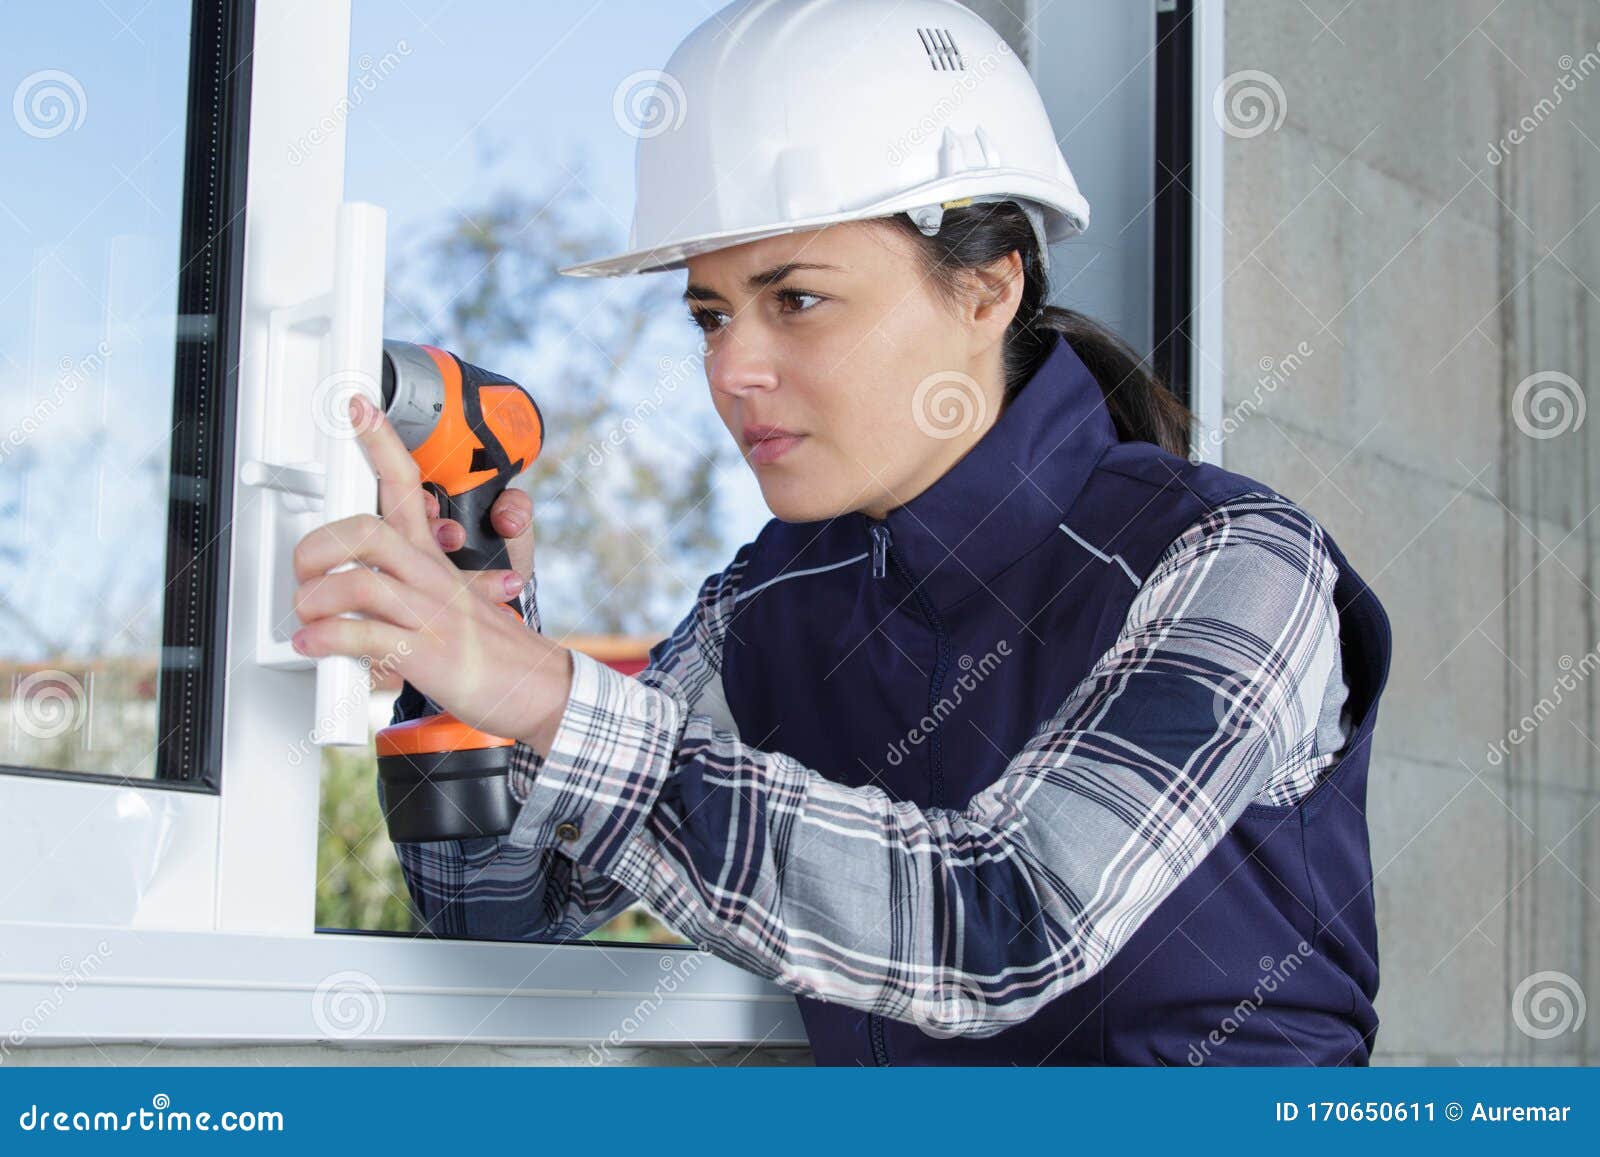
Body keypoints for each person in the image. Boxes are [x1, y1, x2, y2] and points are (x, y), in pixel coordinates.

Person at [289, 0, 1393, 1065]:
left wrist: (545, 693)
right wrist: (458, 662)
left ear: (984, 289)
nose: (729, 370)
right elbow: (503, 911)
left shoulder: (1233, 563)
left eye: (797, 299)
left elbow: (1005, 917)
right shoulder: (772, 600)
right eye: (711, 314)